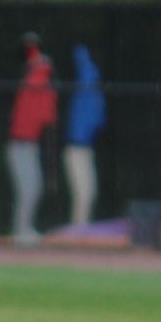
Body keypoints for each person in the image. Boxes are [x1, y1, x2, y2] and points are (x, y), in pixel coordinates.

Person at [6, 32, 57, 244]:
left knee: (34, 190)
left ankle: (24, 229)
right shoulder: (32, 81)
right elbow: (34, 65)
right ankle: (20, 232)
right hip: (19, 145)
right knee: (28, 191)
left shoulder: (41, 86)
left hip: (30, 146)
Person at [62, 44, 105, 228]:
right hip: (75, 149)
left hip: (85, 150)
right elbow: (84, 65)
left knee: (89, 193)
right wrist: (82, 54)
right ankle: (78, 230)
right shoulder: (83, 94)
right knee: (84, 194)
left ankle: (81, 228)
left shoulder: (94, 96)